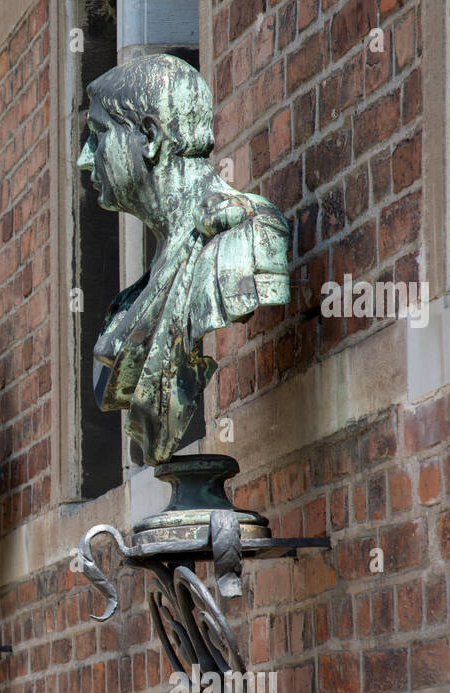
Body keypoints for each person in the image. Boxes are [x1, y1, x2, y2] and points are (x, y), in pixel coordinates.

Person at [77, 54, 291, 465]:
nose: (86, 158)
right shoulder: (127, 301)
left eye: (99, 135)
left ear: (150, 136)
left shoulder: (248, 234)